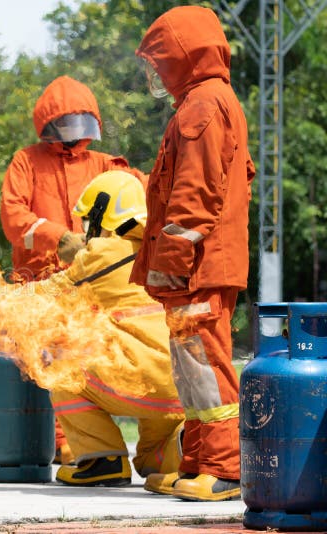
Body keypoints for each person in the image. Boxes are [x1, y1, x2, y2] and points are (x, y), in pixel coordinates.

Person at [130, 5, 255, 501]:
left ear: (183, 56)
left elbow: (194, 196)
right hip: (197, 267)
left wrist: (171, 265)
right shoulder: (202, 101)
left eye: (160, 61)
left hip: (198, 269)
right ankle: (198, 464)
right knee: (192, 368)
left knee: (206, 364)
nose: (155, 72)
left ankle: (224, 469)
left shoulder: (203, 106)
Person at [0, 75, 146, 464]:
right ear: (45, 125)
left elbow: (143, 203)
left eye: (79, 125)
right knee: (51, 363)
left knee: (89, 366)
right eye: (63, 126)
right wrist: (57, 237)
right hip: (42, 286)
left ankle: (107, 449)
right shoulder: (26, 162)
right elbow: (13, 218)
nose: (72, 135)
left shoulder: (107, 165)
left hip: (94, 289)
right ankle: (66, 445)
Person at [35, 170, 185, 487]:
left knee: (64, 369)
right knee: (150, 461)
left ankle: (102, 460)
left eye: (90, 219)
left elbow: (47, 294)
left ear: (104, 213)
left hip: (138, 376)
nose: (88, 229)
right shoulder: (163, 249)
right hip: (182, 383)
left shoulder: (101, 252)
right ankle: (184, 446)